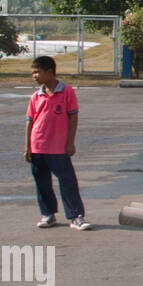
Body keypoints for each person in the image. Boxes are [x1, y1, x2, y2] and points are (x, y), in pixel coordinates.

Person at [26, 56, 90, 229]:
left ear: (49, 72)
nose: (34, 75)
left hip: (58, 148)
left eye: (37, 71)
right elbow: (30, 121)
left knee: (67, 181)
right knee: (42, 182)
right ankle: (48, 214)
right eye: (33, 72)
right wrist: (28, 147)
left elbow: (73, 117)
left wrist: (70, 142)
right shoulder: (36, 96)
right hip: (38, 146)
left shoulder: (67, 92)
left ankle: (76, 216)